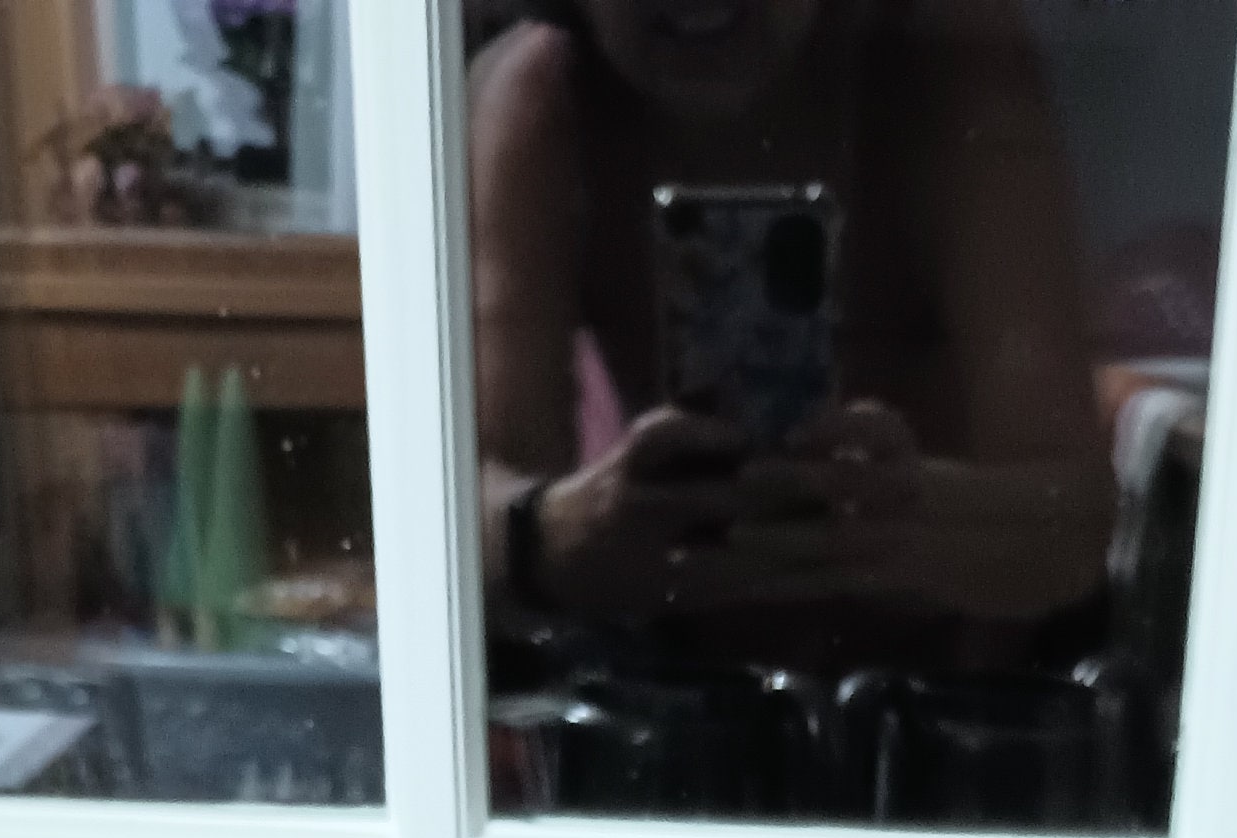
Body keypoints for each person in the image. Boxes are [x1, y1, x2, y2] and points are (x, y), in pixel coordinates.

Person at [469, 0, 1114, 672]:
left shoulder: (948, 65)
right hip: (695, 688)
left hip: (952, 688)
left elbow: (1071, 527)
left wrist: (900, 523)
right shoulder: (538, 96)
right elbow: (468, 520)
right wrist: (559, 534)